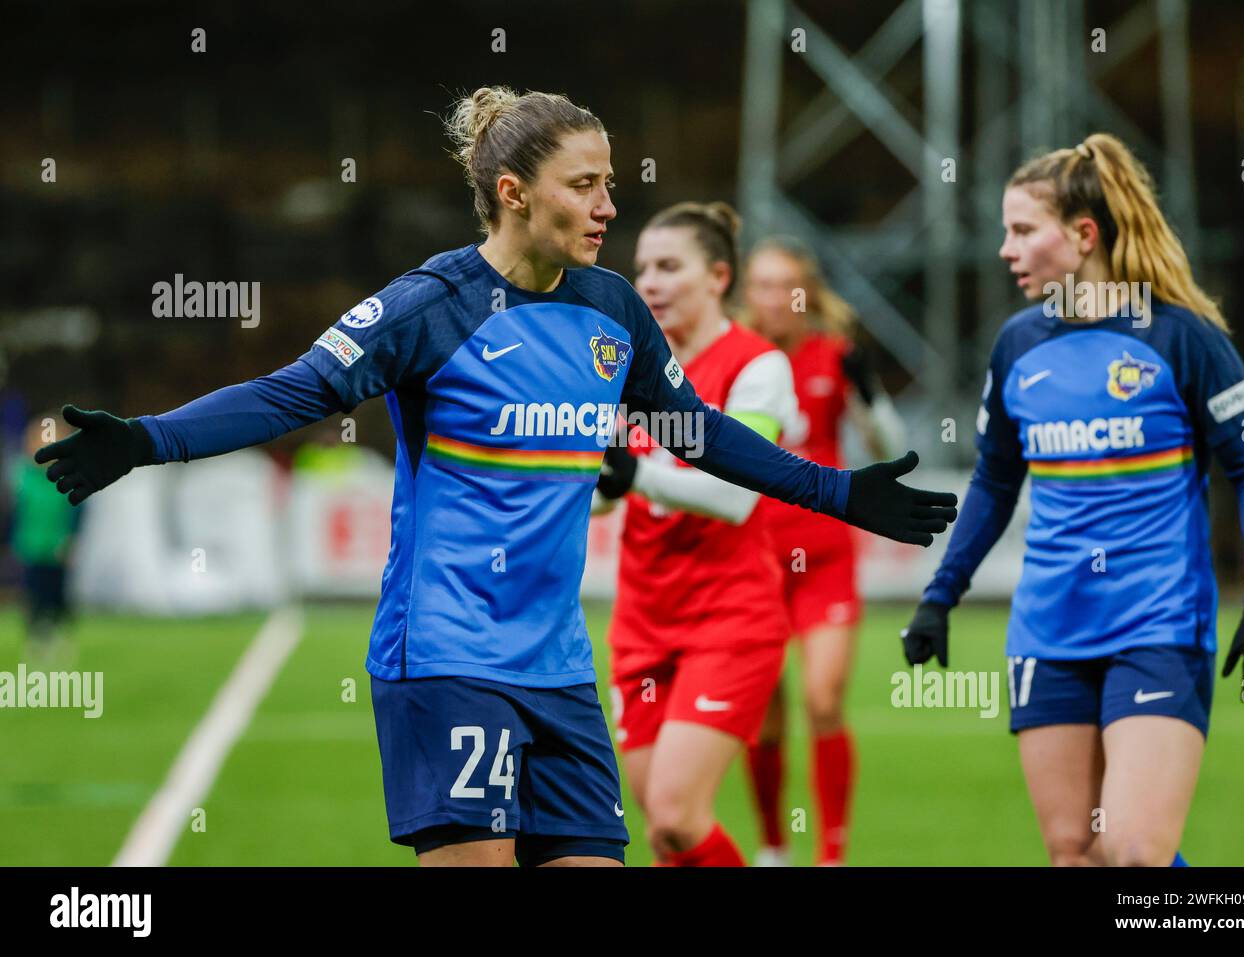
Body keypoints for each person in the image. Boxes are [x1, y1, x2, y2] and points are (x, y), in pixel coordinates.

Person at [35, 86, 958, 868]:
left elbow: (699, 432)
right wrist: (147, 439)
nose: (608, 207)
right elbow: (292, 394)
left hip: (557, 667)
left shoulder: (611, 310)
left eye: (609, 184)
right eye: (585, 185)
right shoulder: (430, 307)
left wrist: (839, 493)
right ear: (514, 193)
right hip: (447, 657)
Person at [901, 133, 1244, 866]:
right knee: (1075, 852)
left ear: (1083, 235)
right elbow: (993, 480)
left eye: (1022, 230)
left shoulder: (1183, 337)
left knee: (1137, 853)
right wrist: (939, 595)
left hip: (1159, 623)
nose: (1004, 249)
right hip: (1049, 630)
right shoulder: (1018, 344)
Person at [591, 202, 799, 866]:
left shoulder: (758, 367)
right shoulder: (623, 368)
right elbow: (604, 497)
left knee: (680, 818)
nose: (649, 281)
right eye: (642, 267)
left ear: (717, 275)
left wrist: (634, 474)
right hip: (644, 620)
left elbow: (736, 496)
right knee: (661, 831)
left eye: (669, 266)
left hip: (729, 617)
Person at [740, 237, 902, 866]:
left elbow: (887, 446)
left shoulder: (834, 356)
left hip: (824, 554)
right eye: (761, 285)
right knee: (765, 715)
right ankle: (773, 846)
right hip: (754, 556)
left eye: (786, 285)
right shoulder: (738, 359)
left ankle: (831, 854)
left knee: (824, 699)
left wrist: (871, 393)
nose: (774, 298)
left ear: (806, 291)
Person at [11, 412, 81, 655]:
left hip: (57, 546)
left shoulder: (67, 477)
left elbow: (76, 511)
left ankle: (59, 633)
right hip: (32, 545)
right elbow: (16, 514)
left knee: (56, 593)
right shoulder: (23, 478)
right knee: (34, 593)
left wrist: (71, 539)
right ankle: (36, 638)